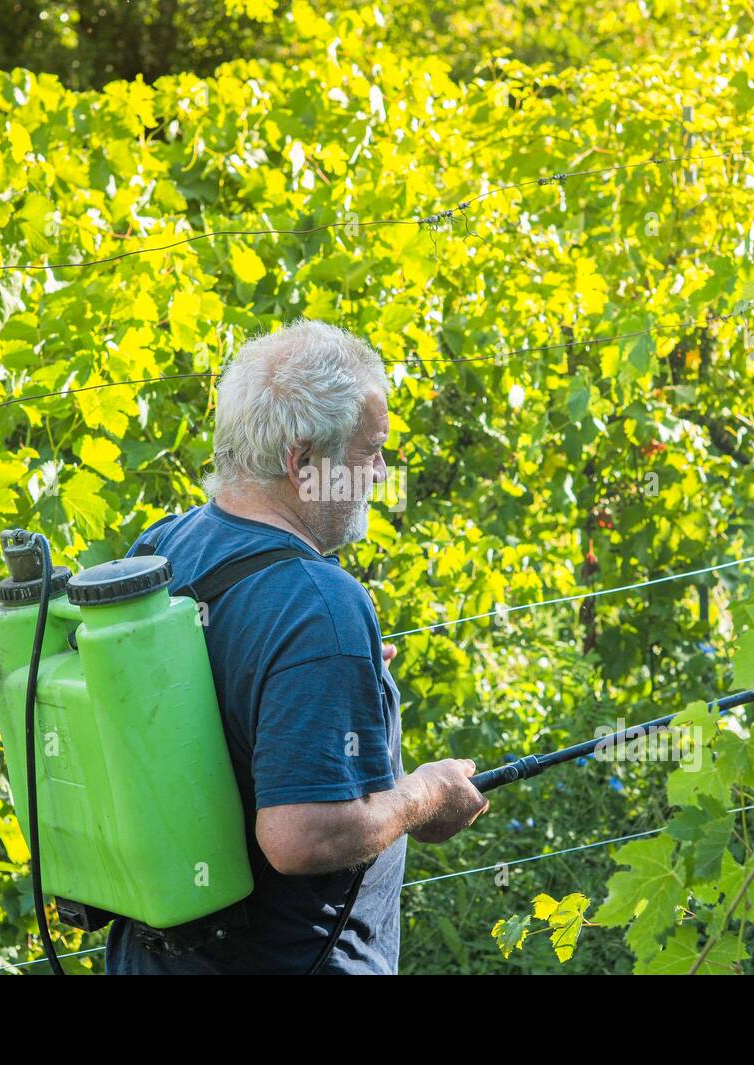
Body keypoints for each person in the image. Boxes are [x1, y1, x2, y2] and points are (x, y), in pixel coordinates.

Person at [106, 319, 489, 974]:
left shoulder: (161, 548)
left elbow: (203, 701)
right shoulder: (320, 602)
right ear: (303, 462)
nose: (381, 472)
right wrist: (424, 794)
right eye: (369, 452)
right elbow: (297, 834)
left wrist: (324, 680)